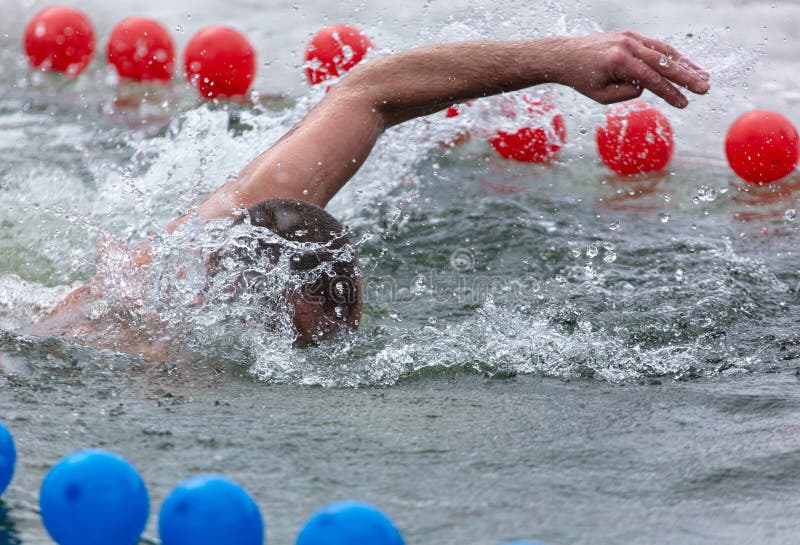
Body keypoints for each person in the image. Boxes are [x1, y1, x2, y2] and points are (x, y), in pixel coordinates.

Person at [26, 30, 710, 357]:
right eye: (300, 339)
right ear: (224, 300)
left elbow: (372, 92)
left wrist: (562, 60)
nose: (318, 354)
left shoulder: (225, 225)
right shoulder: (143, 340)